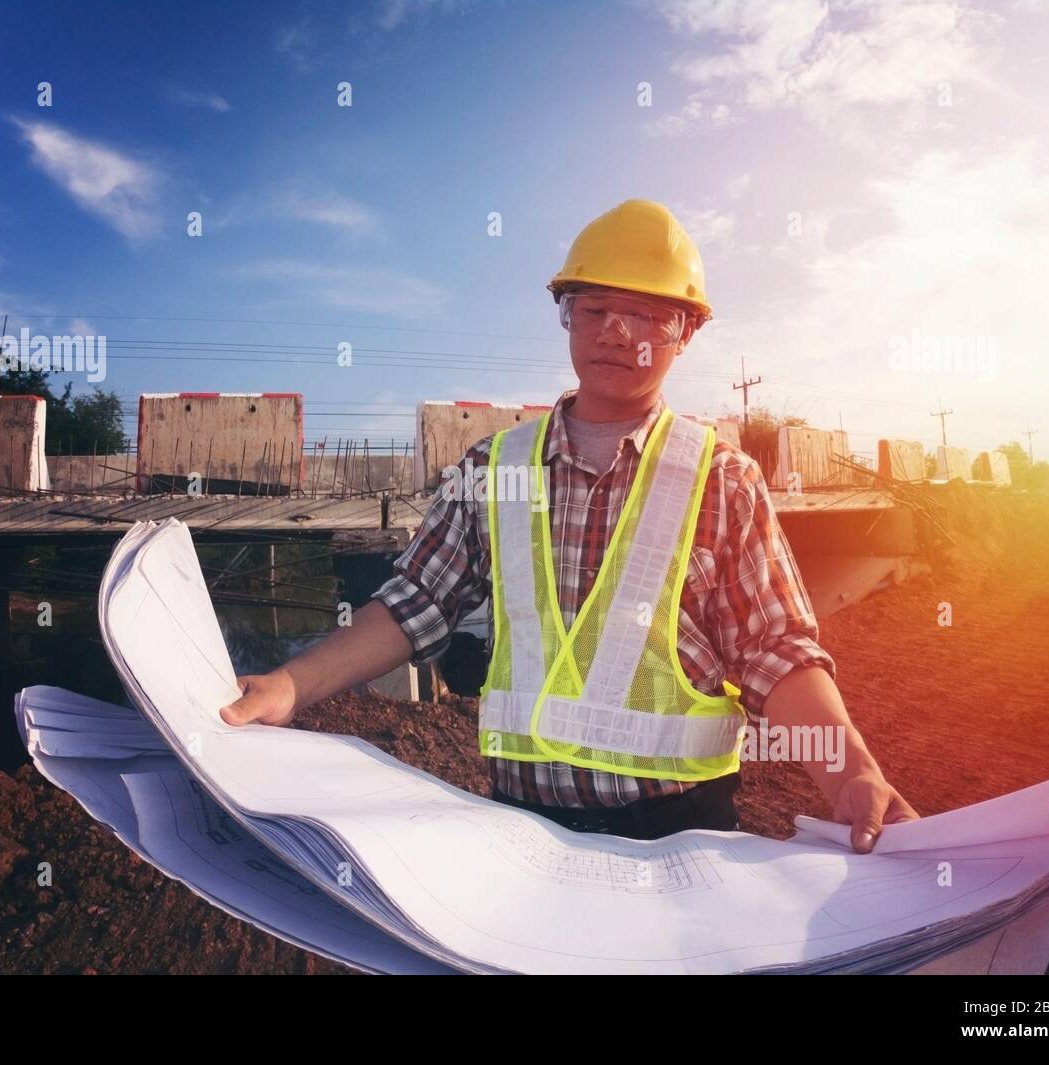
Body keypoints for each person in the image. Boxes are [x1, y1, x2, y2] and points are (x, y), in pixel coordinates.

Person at [221, 198, 918, 850]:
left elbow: (777, 653)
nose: (615, 331)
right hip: (525, 832)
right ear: (568, 317)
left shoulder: (723, 480)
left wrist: (851, 770)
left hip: (683, 836)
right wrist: (290, 683)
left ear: (687, 329)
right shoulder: (495, 468)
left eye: (645, 313)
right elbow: (415, 606)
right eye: (595, 309)